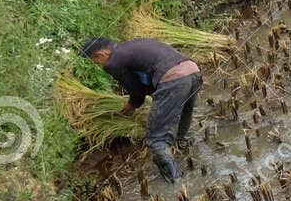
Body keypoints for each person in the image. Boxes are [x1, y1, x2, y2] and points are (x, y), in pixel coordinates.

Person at [79, 35, 203, 184]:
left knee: (156, 138)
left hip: (173, 79)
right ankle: (183, 145)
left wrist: (132, 104)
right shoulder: (131, 46)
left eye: (96, 61)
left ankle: (175, 181)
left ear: (101, 54)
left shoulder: (113, 62)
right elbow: (147, 80)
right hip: (193, 70)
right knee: (184, 111)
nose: (99, 65)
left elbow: (136, 91)